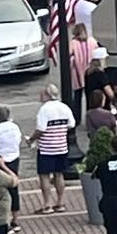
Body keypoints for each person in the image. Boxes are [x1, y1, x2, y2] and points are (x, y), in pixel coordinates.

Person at [34, 85, 76, 213]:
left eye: (42, 93)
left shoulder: (44, 109)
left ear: (47, 94)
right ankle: (60, 202)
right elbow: (71, 124)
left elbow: (40, 129)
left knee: (44, 175)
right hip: (61, 147)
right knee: (59, 174)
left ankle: (47, 204)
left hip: (46, 148)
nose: (40, 96)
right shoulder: (64, 107)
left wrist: (31, 139)